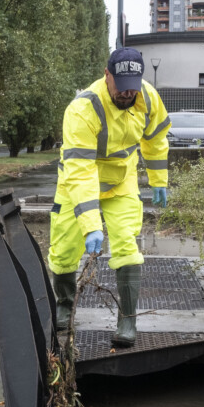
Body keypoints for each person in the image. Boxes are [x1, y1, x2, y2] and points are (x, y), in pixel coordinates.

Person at [48, 47, 171, 347]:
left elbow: (155, 142)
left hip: (121, 181)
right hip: (77, 182)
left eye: (133, 87)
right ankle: (65, 305)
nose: (127, 94)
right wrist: (91, 224)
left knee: (127, 244)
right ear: (106, 76)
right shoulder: (82, 109)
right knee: (63, 249)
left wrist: (159, 181)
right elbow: (81, 171)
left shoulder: (148, 98)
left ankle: (127, 320)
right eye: (121, 86)